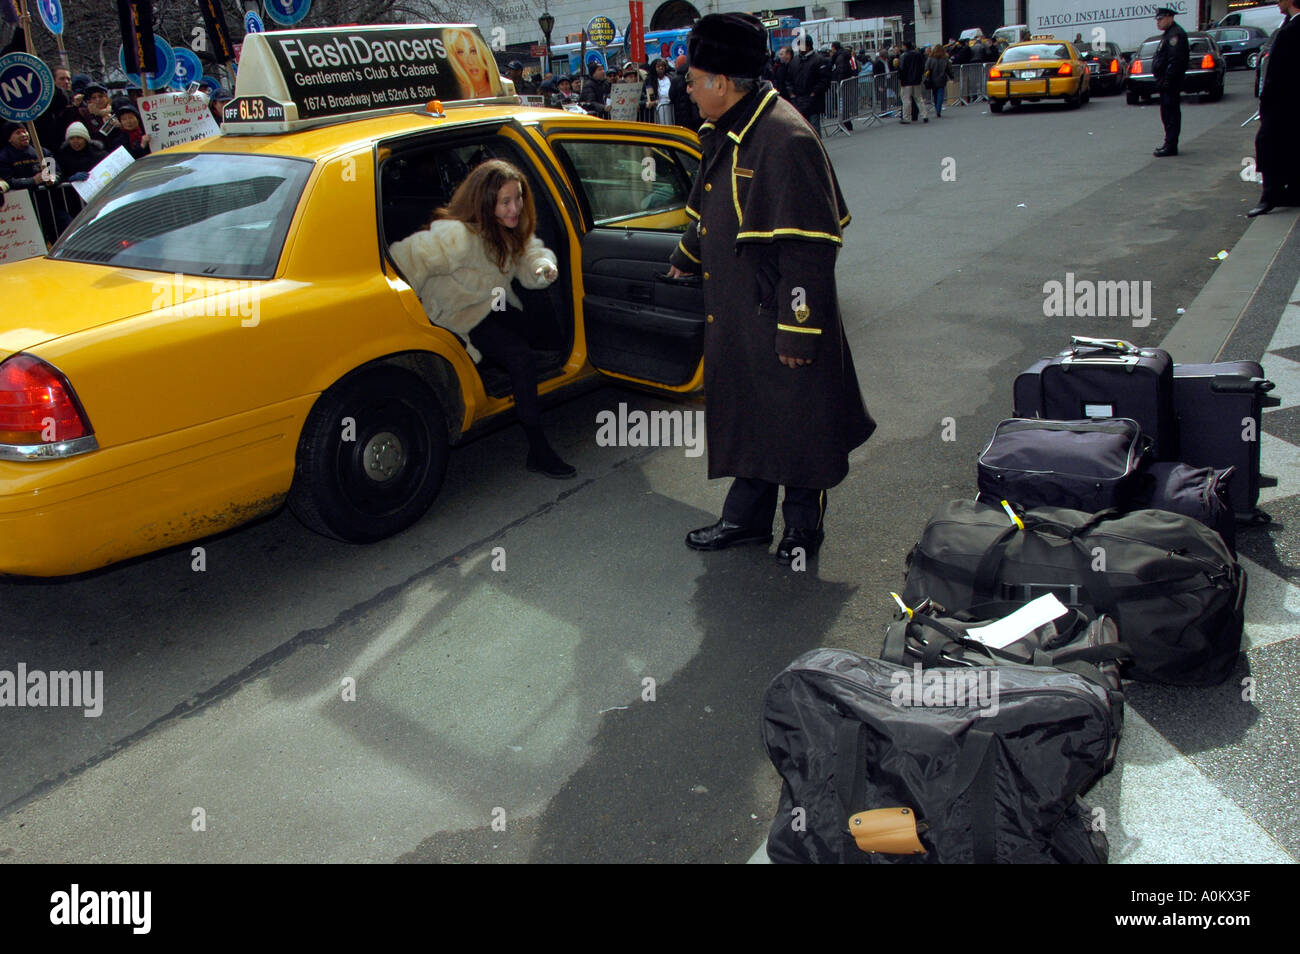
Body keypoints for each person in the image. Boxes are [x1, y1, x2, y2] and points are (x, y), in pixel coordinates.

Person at [665, 13, 875, 564]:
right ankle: (746, 520)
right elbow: (708, 212)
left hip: (779, 316)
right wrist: (686, 258)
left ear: (723, 82)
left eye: (694, 76)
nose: (686, 85)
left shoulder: (785, 138)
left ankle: (802, 531)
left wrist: (797, 333)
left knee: (801, 426)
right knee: (750, 418)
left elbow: (809, 252)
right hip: (738, 315)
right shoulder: (725, 128)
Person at [387, 159, 573, 478]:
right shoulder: (456, 236)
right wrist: (404, 317)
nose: (515, 208)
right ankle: (539, 449)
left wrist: (543, 266)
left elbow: (530, 252)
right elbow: (404, 263)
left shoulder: (507, 229)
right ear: (485, 203)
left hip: (488, 307)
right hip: (454, 320)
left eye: (518, 198)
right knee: (521, 358)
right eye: (506, 202)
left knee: (533, 327)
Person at [1248, 0, 1299, 214]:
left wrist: (1267, 99)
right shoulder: (1289, 25)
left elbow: (1280, 71)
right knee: (1290, 144)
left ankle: (1271, 194)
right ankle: (1293, 191)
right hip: (1287, 100)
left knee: (1268, 142)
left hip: (1284, 100)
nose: (1278, 2)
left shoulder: (1292, 30)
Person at [1150, 7, 1189, 156]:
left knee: (1171, 114)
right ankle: (1169, 143)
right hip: (1166, 81)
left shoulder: (1175, 34)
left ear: (1169, 17)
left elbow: (1175, 61)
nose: (1158, 22)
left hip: (1171, 82)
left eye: (1160, 19)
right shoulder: (1169, 34)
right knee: (1166, 113)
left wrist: (1167, 80)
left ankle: (1171, 145)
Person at [787, 34, 831, 128]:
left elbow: (825, 79)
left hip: (813, 101)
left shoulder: (819, 60)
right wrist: (792, 93)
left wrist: (814, 93)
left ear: (808, 46)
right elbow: (789, 79)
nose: (799, 47)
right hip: (798, 100)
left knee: (814, 127)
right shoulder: (794, 61)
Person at [444, 27, 497, 98]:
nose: (470, 61)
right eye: (460, 52)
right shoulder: (450, 97)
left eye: (473, 51)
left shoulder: (501, 92)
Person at [897, 41, 931, 123]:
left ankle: (907, 117)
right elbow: (922, 67)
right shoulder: (918, 54)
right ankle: (924, 115)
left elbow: (901, 69)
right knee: (919, 98)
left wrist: (901, 79)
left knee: (906, 100)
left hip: (906, 81)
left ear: (905, 46)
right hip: (916, 79)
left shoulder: (903, 56)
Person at [924, 43, 954, 117]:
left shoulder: (930, 58)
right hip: (942, 78)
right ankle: (938, 109)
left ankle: (936, 108)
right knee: (940, 94)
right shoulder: (945, 59)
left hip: (933, 79)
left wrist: (926, 76)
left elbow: (927, 69)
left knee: (935, 95)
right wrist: (951, 77)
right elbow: (948, 69)